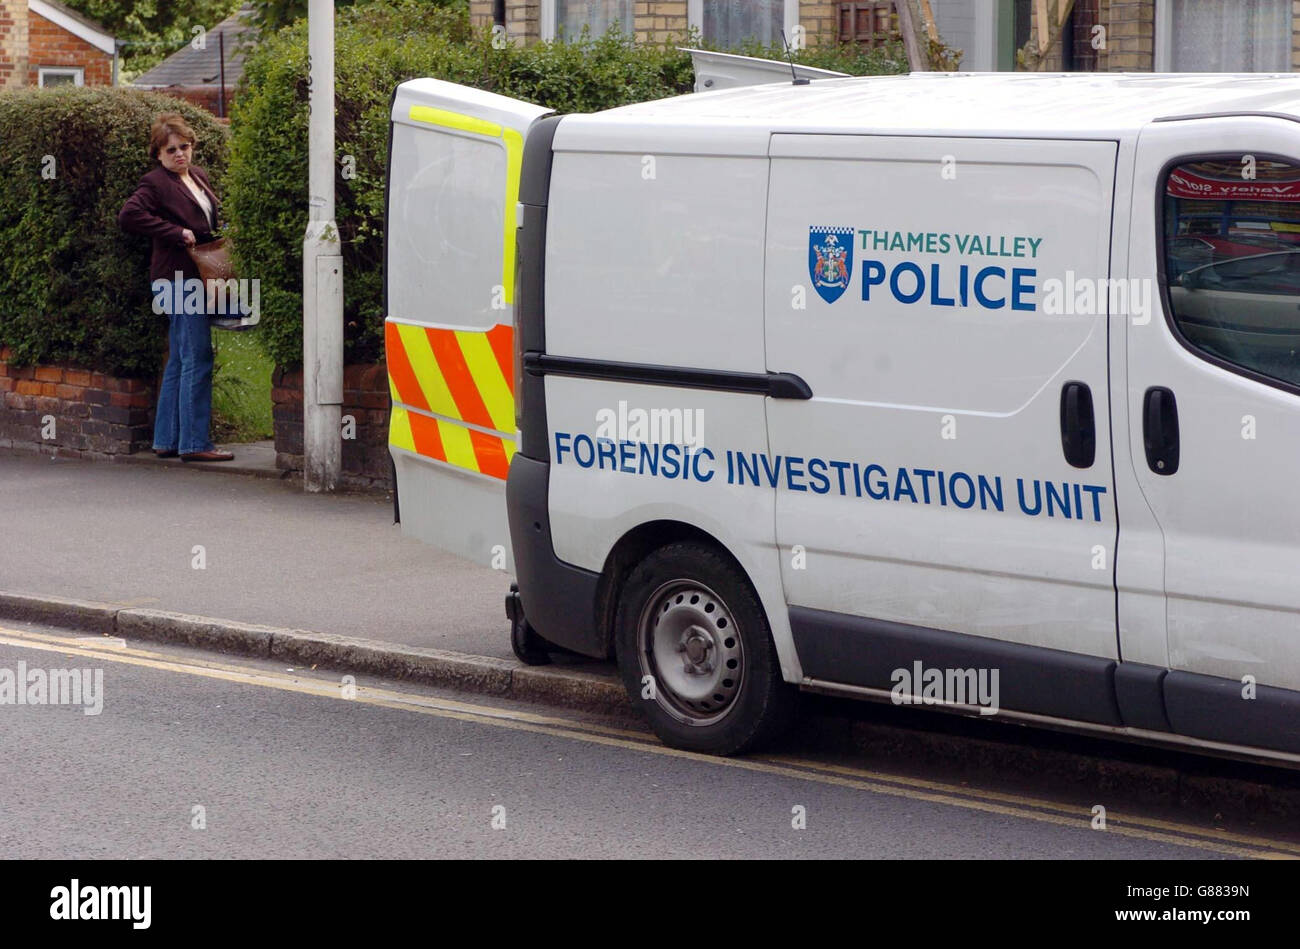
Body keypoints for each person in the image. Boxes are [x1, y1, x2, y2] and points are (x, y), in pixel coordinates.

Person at [118, 112, 233, 462]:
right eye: (171, 150)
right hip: (175, 280)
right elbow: (128, 216)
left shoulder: (198, 176)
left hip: (196, 277)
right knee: (197, 357)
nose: (179, 154)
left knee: (180, 358)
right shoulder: (154, 183)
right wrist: (175, 232)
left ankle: (166, 440)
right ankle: (195, 444)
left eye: (184, 147)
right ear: (158, 154)